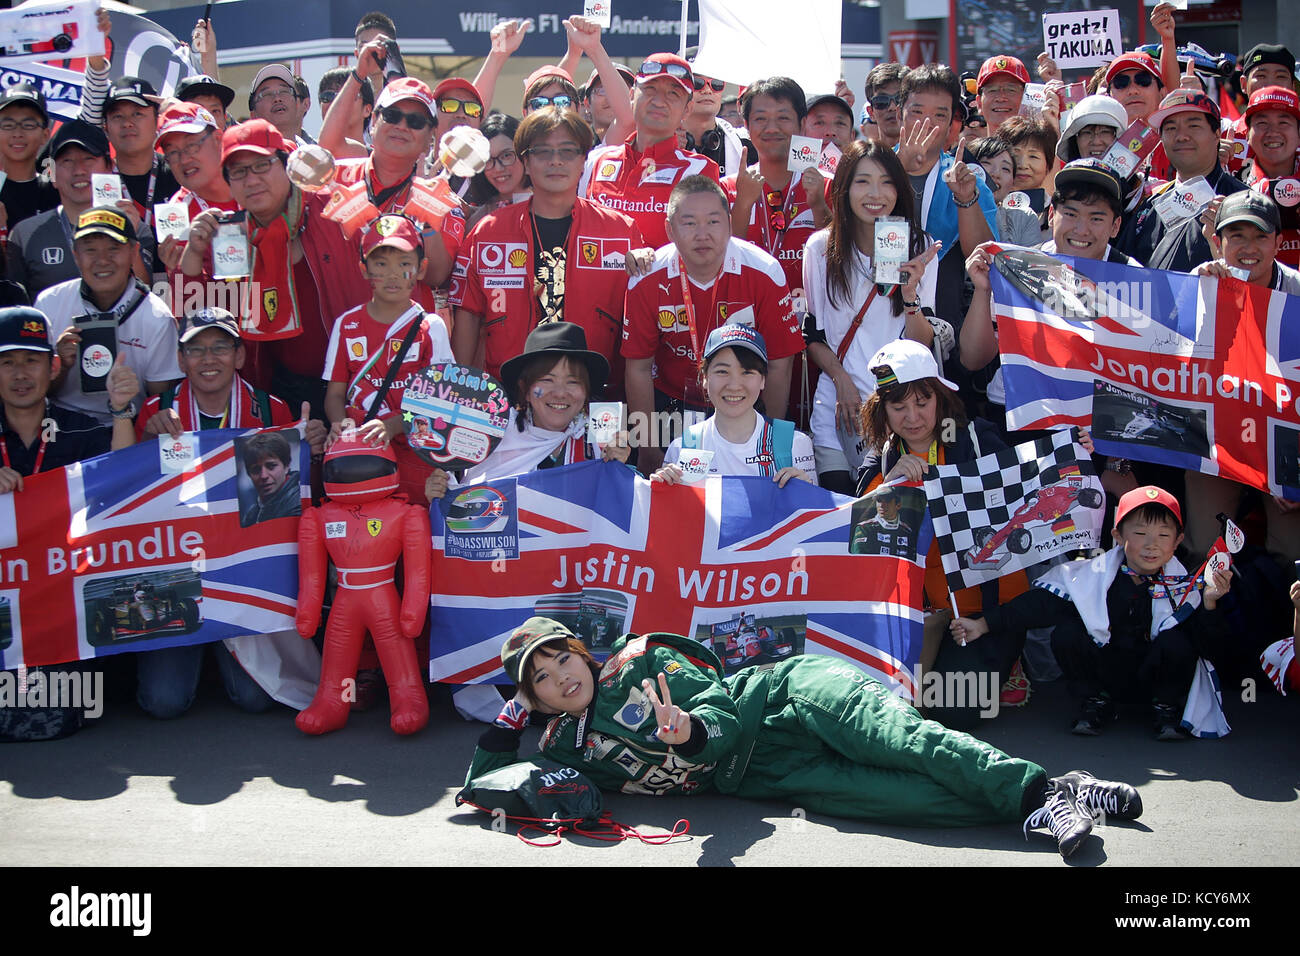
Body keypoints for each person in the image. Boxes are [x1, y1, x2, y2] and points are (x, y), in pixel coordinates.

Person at [467, 616, 1145, 858]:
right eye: (542, 679)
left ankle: (1037, 792)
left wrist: (687, 731)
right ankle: (1060, 793)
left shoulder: (638, 659)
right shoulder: (560, 746)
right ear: (533, 699)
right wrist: (508, 720)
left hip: (787, 700)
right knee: (910, 803)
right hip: (763, 778)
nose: (561, 677)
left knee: (904, 743)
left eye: (563, 658)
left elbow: (721, 716)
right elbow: (481, 787)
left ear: (582, 654)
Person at [427, 322, 629, 721]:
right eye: (547, 380)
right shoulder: (487, 438)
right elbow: (459, 507)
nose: (560, 392)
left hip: (571, 584)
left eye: (573, 382)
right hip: (502, 576)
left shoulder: (600, 440)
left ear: (587, 392)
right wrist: (437, 491)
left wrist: (621, 469)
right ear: (525, 388)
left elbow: (628, 519)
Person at [130, 307, 317, 720]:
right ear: (180, 360)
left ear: (239, 355)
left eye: (219, 347)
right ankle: (199, 656)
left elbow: (287, 500)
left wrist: (311, 447)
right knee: (164, 703)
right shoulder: (156, 411)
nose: (208, 359)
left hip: (241, 575)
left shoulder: (272, 411)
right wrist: (145, 438)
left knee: (256, 699)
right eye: (195, 349)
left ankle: (222, 657)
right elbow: (133, 498)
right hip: (178, 573)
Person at [952, 486, 1232, 741]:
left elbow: (1210, 648)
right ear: (1118, 535)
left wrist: (1209, 603)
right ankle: (1095, 701)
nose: (1151, 544)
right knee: (1067, 632)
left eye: (1162, 535)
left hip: (1155, 680)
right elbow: (1038, 606)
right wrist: (983, 625)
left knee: (1178, 641)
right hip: (1108, 674)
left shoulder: (1188, 587)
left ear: (1177, 541)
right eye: (1139, 533)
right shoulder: (1090, 577)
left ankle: (1166, 707)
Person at [0, 306, 137, 741]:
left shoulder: (78, 430)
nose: (20, 374)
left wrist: (120, 410)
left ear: (53, 366)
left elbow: (122, 477)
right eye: (7, 362)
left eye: (31, 360)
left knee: (92, 696)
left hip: (61, 604)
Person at [180, 120, 371, 419]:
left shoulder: (333, 211)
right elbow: (198, 314)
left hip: (356, 381)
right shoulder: (230, 234)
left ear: (286, 166)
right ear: (229, 183)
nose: (252, 180)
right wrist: (193, 251)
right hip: (275, 391)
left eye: (261, 165)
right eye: (239, 172)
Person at [622, 175, 805, 472]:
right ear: (669, 229)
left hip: (744, 397)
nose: (702, 234)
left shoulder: (765, 271)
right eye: (690, 223)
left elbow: (780, 363)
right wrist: (648, 448)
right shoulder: (646, 278)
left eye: (713, 221)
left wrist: (774, 438)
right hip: (673, 407)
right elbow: (639, 368)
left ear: (730, 224)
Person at [450, 107, 644, 386]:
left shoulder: (621, 231)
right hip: (509, 394)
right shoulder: (488, 231)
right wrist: (463, 386)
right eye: (542, 152)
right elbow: (468, 313)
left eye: (567, 151)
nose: (556, 161)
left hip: (595, 396)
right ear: (526, 163)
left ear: (583, 160)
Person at [802, 140, 943, 494]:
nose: (875, 193)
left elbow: (920, 344)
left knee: (887, 516)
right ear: (845, 188)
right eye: (863, 181)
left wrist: (909, 296)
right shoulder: (820, 248)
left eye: (886, 182)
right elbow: (813, 336)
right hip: (836, 408)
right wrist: (840, 379)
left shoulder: (919, 247)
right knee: (839, 516)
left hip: (898, 410)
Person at [1186, 192, 1300, 566]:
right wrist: (1204, 298)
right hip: (1219, 435)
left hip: (1286, 437)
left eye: (1260, 236)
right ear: (1218, 242)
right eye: (1236, 235)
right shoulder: (1199, 282)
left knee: (1292, 550)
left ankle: (1287, 625)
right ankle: (1215, 618)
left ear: (1279, 243)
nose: (1248, 248)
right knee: (1204, 548)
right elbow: (1173, 372)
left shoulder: (1298, 291)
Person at [324, 214, 453, 504]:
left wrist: (394, 425)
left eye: (404, 264)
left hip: (417, 460)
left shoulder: (430, 326)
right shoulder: (345, 325)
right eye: (381, 264)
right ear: (363, 270)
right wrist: (340, 423)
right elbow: (334, 394)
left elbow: (442, 401)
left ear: (421, 269)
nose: (393, 274)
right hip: (361, 461)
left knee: (414, 534)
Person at [319, 76, 462, 296]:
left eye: (415, 121)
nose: (402, 126)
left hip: (408, 328)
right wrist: (359, 73)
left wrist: (427, 223)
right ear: (375, 119)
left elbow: (437, 276)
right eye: (392, 116)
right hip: (336, 328)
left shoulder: (441, 198)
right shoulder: (335, 178)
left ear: (431, 136)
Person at [39, 206, 180, 426]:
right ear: (76, 256)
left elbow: (162, 405)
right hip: (58, 428)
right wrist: (60, 366)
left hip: (127, 425)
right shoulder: (49, 302)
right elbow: (34, 392)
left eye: (113, 249)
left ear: (134, 252)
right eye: (90, 250)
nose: (102, 260)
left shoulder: (157, 317)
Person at [579, 53, 722, 249]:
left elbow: (701, 250)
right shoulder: (595, 162)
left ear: (687, 109)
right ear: (631, 96)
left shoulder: (699, 170)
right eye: (650, 89)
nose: (659, 101)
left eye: (673, 94)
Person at [652, 324, 814, 485]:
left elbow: (817, 510)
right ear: (705, 379)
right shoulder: (684, 447)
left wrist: (807, 492)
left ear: (763, 379)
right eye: (722, 371)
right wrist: (663, 487)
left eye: (747, 372)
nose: (734, 385)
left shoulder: (794, 443)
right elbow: (674, 510)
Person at [6, 120, 148, 300]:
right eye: (67, 161)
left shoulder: (136, 227)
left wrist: (130, 236)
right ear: (53, 175)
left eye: (88, 159)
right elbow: (14, 305)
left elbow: (147, 295)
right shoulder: (24, 234)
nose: (79, 170)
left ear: (110, 168)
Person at [1115, 89, 1247, 271]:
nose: (1181, 136)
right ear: (1160, 137)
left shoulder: (1243, 202)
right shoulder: (1148, 205)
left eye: (1193, 126)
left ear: (1217, 134)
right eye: (1171, 128)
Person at [967, 136, 1044, 245]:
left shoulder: (1024, 219)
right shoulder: (945, 209)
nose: (996, 173)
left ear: (1012, 183)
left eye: (1005, 169)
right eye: (986, 164)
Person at [0, 84, 57, 231]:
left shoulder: (57, 192)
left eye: (28, 125)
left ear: (45, 135)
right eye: (8, 125)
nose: (17, 133)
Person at [240, 430, 301, 525]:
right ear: (249, 474)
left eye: (271, 466)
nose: (263, 476)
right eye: (256, 469)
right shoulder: (251, 515)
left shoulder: (298, 502)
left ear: (286, 466)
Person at [316, 67, 374, 160]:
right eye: (327, 96)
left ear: (367, 110)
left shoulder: (379, 161)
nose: (336, 102)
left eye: (348, 95)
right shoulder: (307, 157)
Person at [249, 64, 312, 146]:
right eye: (267, 94)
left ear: (297, 104)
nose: (277, 99)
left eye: (284, 91)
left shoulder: (315, 155)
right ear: (253, 115)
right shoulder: (246, 156)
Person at [974, 55, 1030, 137]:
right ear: (979, 104)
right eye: (992, 90)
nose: (1001, 98)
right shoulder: (966, 150)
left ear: (1027, 99)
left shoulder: (1049, 149)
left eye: (1010, 90)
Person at [861, 63, 908, 149]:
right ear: (871, 113)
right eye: (881, 101)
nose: (892, 107)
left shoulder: (934, 158)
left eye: (900, 99)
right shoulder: (862, 161)